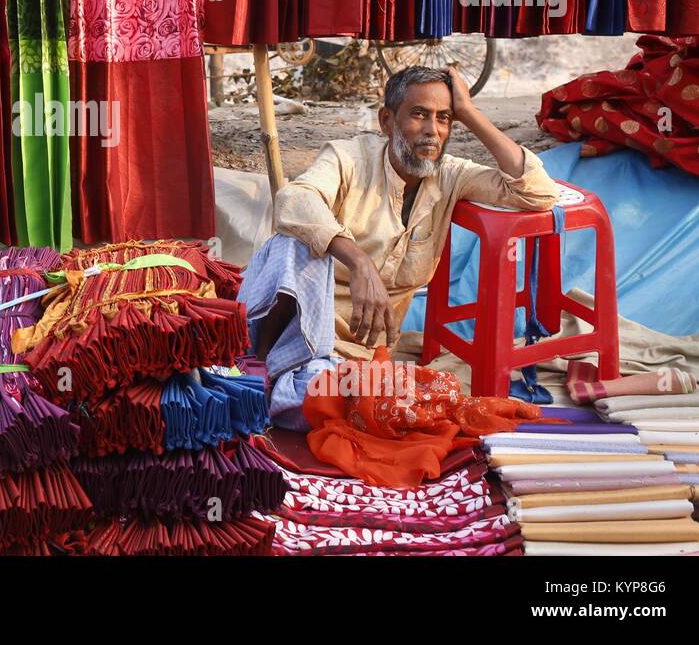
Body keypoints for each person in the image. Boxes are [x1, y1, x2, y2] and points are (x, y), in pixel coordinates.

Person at [240, 65, 560, 426]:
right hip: (294, 326)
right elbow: (294, 200)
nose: (431, 131)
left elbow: (538, 191)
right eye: (419, 115)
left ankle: (284, 393)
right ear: (387, 121)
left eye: (444, 119)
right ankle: (257, 365)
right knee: (294, 241)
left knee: (320, 402)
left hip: (355, 353)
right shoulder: (349, 157)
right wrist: (357, 259)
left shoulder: (451, 175)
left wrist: (469, 112)